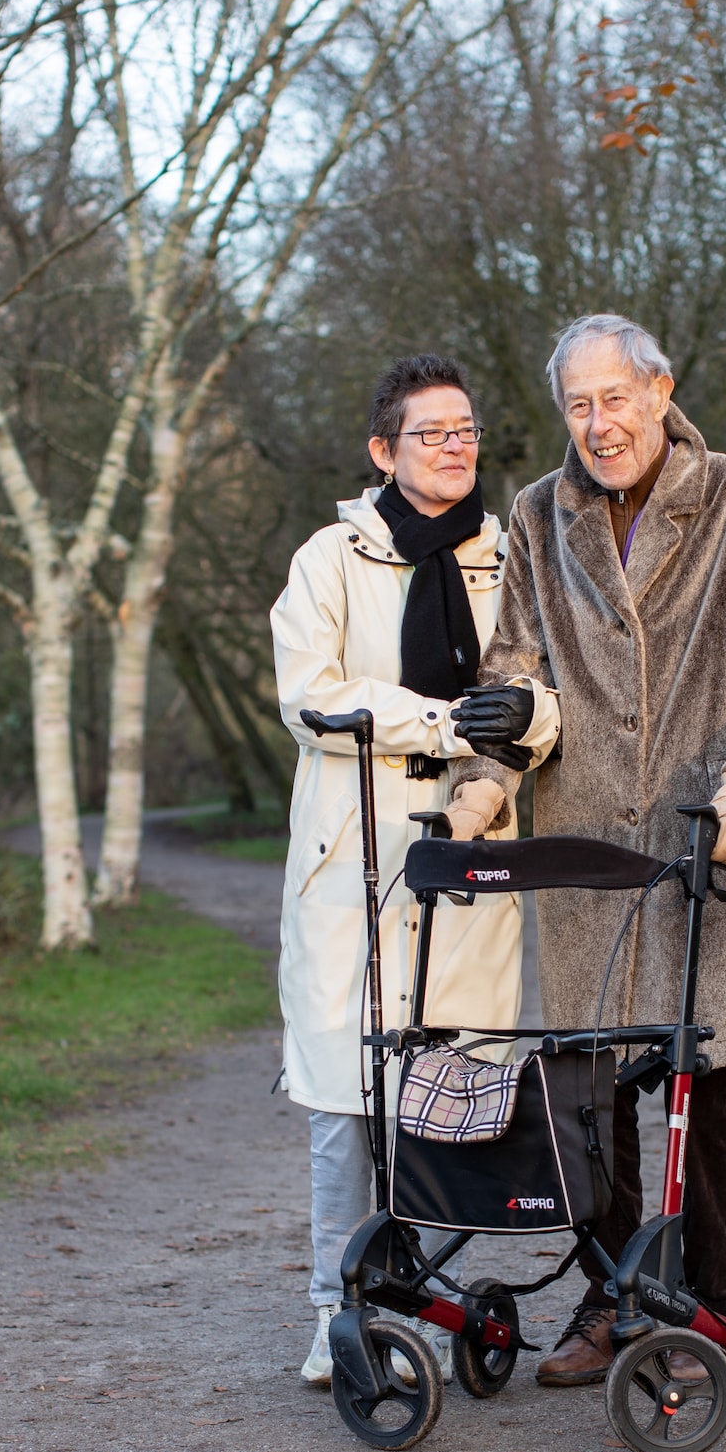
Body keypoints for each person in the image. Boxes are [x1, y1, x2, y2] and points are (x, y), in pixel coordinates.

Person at [445, 313, 726, 1387]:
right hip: (583, 849)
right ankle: (607, 1300)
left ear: (659, 391)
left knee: (695, 1076)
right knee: (588, 1091)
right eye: (577, 404)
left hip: (699, 839)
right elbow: (517, 672)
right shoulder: (539, 513)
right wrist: (483, 781)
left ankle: (707, 1302)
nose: (596, 424)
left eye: (613, 398)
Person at [269, 354, 547, 1387]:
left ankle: (424, 1306)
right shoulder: (328, 561)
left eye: (466, 428)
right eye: (430, 433)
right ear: (383, 450)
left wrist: (523, 716)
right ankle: (334, 1309)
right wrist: (440, 716)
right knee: (348, 1101)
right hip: (357, 862)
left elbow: (546, 692)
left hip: (470, 856)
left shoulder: (513, 558)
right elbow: (311, 697)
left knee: (441, 1099)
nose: (454, 447)